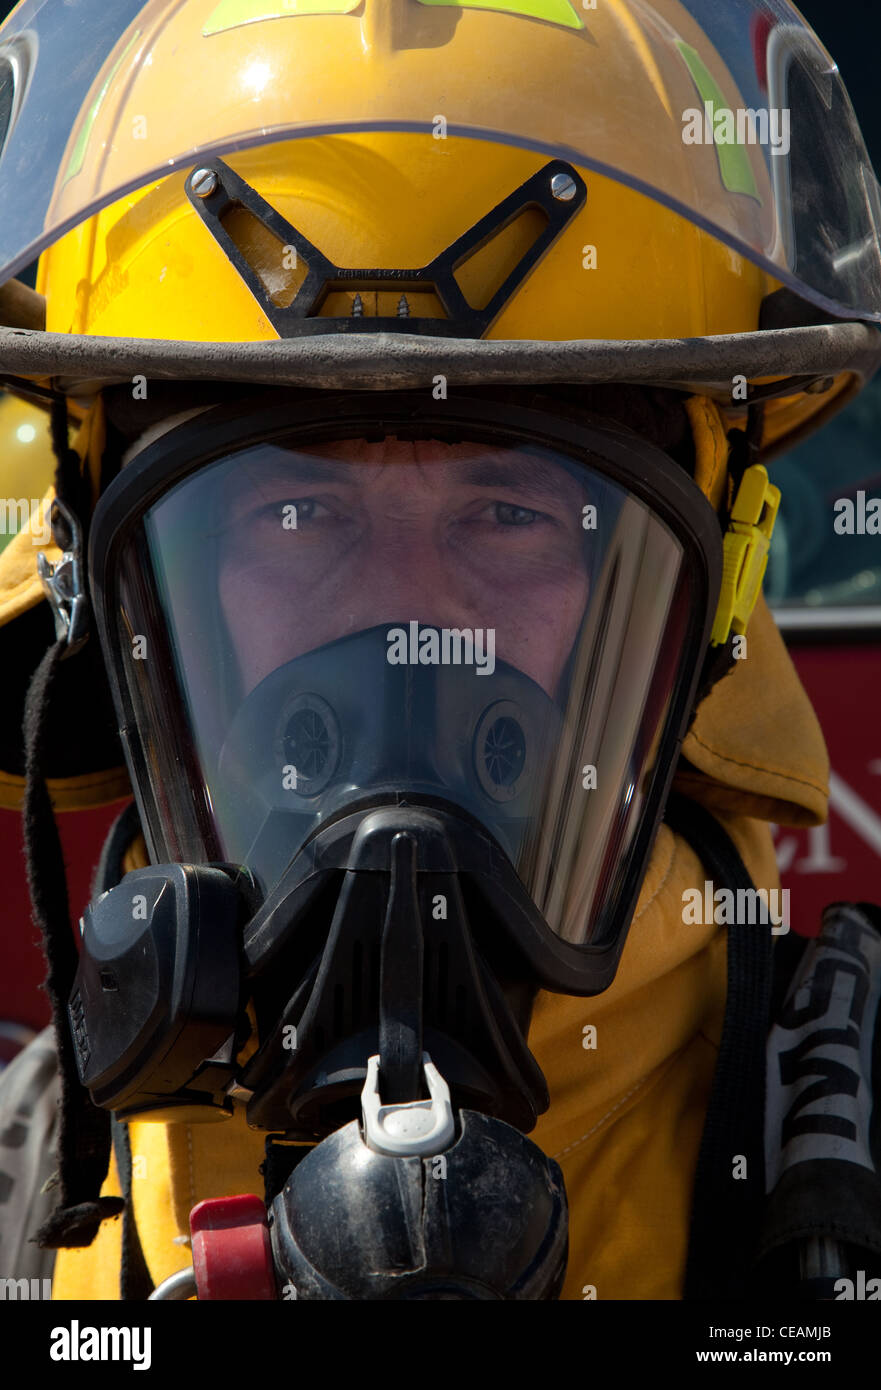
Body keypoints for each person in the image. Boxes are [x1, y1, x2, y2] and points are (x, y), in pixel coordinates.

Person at [0, 0, 878, 1300]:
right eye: (294, 513)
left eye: (509, 513)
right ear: (110, 594)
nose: (401, 626)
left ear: (707, 599)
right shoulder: (27, 1194)